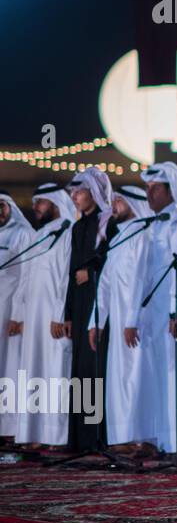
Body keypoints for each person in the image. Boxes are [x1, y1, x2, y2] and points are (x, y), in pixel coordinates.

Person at [7, 183, 76, 447]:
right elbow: (26, 277)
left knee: (55, 371)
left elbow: (65, 278)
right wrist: (20, 314)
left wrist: (60, 313)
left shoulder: (68, 232)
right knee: (34, 371)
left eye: (41, 202)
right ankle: (33, 433)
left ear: (56, 203)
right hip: (34, 316)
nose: (35, 208)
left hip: (53, 316)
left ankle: (54, 434)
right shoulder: (41, 234)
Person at [138, 162, 177, 454]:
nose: (150, 195)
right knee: (156, 376)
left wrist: (176, 312)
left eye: (155, 189)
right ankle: (159, 437)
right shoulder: (152, 223)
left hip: (174, 313)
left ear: (170, 190)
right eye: (147, 189)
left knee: (176, 377)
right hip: (153, 311)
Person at [96, 185, 155, 449]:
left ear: (133, 203)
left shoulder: (145, 234)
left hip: (139, 321)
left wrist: (132, 320)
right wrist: (95, 322)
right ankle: (123, 436)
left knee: (137, 377)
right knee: (120, 378)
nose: (114, 206)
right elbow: (105, 283)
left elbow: (143, 281)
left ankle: (142, 437)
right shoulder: (119, 237)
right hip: (119, 320)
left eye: (119, 201)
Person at [65, 169, 113, 451]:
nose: (75, 197)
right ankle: (82, 437)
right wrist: (68, 314)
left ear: (94, 192)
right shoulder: (77, 227)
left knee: (95, 367)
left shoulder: (106, 223)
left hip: (98, 302)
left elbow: (109, 262)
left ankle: (98, 435)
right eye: (73, 192)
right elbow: (72, 272)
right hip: (80, 303)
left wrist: (91, 274)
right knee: (81, 368)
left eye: (80, 191)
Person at [0, 191, 35, 446]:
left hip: (9, 311)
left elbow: (27, 276)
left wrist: (18, 315)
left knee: (10, 369)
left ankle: (10, 429)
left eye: (2, 206)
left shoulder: (22, 233)